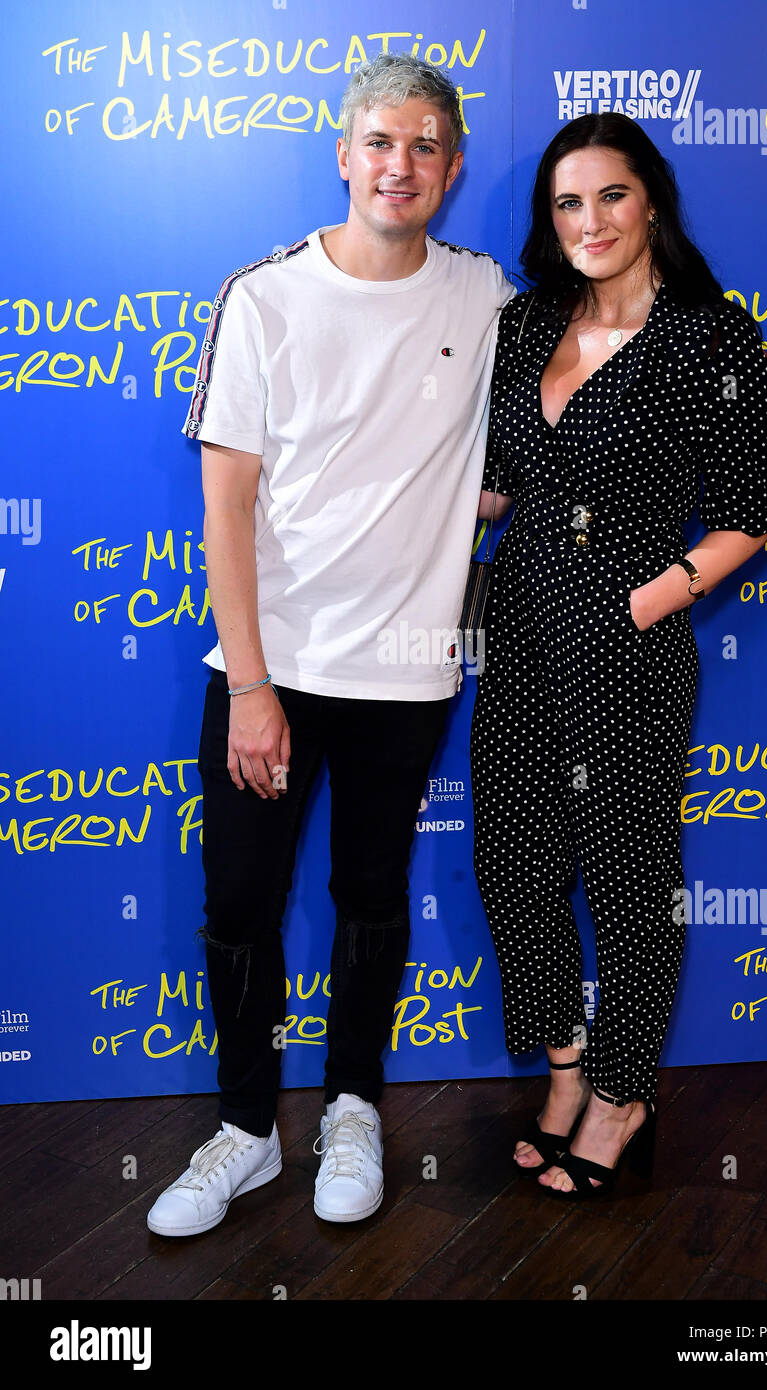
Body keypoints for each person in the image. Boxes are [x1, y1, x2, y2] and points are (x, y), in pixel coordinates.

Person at [146, 53, 514, 1236]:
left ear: (450, 169)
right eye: (378, 141)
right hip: (272, 674)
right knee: (241, 902)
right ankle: (246, 1130)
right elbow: (225, 505)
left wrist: (489, 495)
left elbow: (521, 436)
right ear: (342, 155)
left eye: (422, 145)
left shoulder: (484, 293)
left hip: (407, 667)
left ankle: (353, 1102)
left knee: (369, 893)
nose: (397, 164)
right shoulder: (263, 297)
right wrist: (251, 683)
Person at [470, 113, 767, 1199]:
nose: (590, 220)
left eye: (609, 195)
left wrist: (647, 600)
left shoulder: (712, 336)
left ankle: (621, 1091)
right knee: (512, 864)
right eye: (568, 202)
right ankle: (563, 1067)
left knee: (627, 876)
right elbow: (510, 479)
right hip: (515, 623)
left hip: (628, 641)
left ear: (649, 199)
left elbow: (751, 512)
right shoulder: (527, 324)